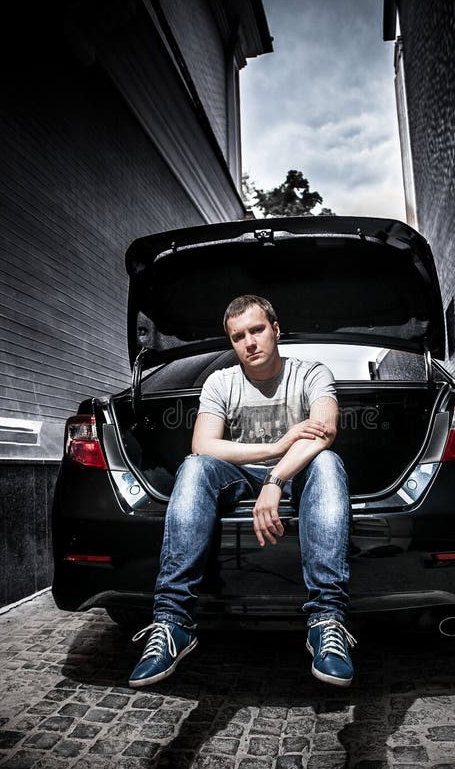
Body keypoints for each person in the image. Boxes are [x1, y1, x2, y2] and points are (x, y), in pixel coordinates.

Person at [129, 294, 356, 688]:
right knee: (194, 466)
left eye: (257, 330)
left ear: (276, 330)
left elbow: (325, 432)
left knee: (327, 461)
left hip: (296, 473)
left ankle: (327, 623)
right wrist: (275, 447)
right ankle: (172, 623)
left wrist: (276, 479)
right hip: (240, 476)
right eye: (238, 336)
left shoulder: (311, 373)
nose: (249, 342)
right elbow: (203, 445)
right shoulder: (221, 381)